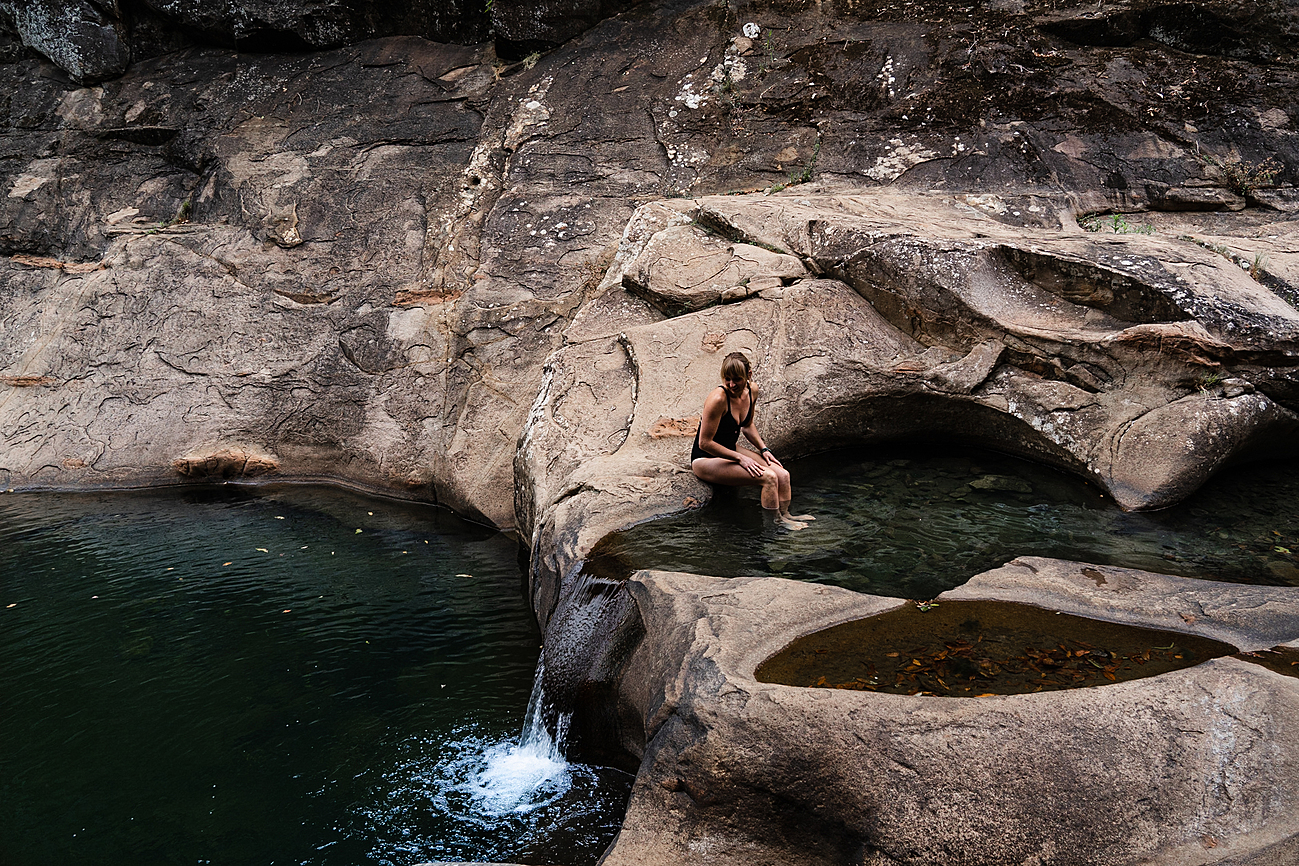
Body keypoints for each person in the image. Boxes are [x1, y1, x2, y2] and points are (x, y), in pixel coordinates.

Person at [690, 352, 813, 530]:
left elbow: (747, 426)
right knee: (769, 477)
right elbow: (705, 443)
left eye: (737, 379)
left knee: (783, 475)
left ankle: (786, 515)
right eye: (727, 379)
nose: (731, 384)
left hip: (729, 449)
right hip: (705, 459)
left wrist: (764, 449)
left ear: (749, 375)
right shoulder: (718, 399)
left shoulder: (752, 390)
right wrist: (740, 458)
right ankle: (774, 524)